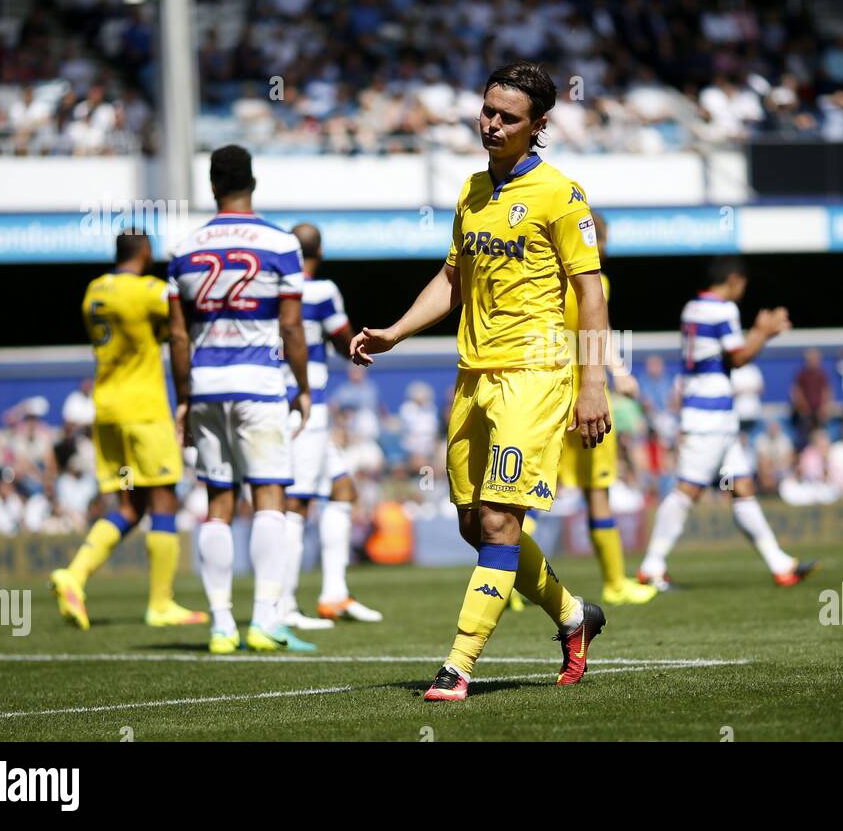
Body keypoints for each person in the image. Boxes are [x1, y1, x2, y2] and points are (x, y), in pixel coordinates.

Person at [349, 62, 610, 701]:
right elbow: (452, 280)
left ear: (539, 125)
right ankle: (574, 616)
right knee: (474, 524)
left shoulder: (561, 194)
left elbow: (591, 292)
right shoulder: (469, 190)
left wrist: (593, 383)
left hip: (536, 374)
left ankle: (458, 667)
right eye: (487, 111)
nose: (491, 125)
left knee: (498, 520)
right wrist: (396, 331)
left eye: (508, 118)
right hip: (473, 377)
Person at [168, 145, 313, 654]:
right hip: (258, 385)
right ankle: (265, 619)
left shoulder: (184, 248)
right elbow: (292, 325)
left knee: (218, 503)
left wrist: (183, 398)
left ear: (212, 186)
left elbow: (179, 338)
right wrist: (304, 385)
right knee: (269, 496)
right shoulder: (280, 242)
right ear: (253, 184)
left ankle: (221, 626)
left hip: (206, 386)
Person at [49, 232, 208, 631]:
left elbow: (138, 330)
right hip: (144, 410)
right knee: (166, 497)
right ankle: (160, 602)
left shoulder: (94, 291)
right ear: (145, 253)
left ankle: (75, 574)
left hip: (106, 410)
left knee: (130, 508)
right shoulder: (146, 290)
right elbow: (181, 316)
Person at [636, 256, 818, 590]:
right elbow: (737, 357)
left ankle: (781, 564)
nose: (743, 291)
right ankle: (651, 566)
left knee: (741, 488)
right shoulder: (723, 310)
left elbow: (721, 355)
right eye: (743, 284)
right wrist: (762, 333)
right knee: (687, 490)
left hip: (712, 413)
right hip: (709, 415)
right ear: (734, 279)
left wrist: (756, 335)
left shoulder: (692, 307)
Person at [519, 212, 657, 607]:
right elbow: (599, 333)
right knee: (597, 490)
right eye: (602, 241)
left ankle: (513, 580)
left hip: (547, 398)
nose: (606, 249)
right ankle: (615, 583)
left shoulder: (541, 281)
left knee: (534, 493)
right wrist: (620, 373)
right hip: (589, 398)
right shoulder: (595, 283)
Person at [277, 223, 383, 639]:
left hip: (282, 402)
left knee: (342, 489)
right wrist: (356, 347)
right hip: (308, 405)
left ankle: (334, 594)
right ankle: (282, 606)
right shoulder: (320, 291)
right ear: (318, 252)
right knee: (296, 504)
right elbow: (342, 339)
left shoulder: (271, 290)